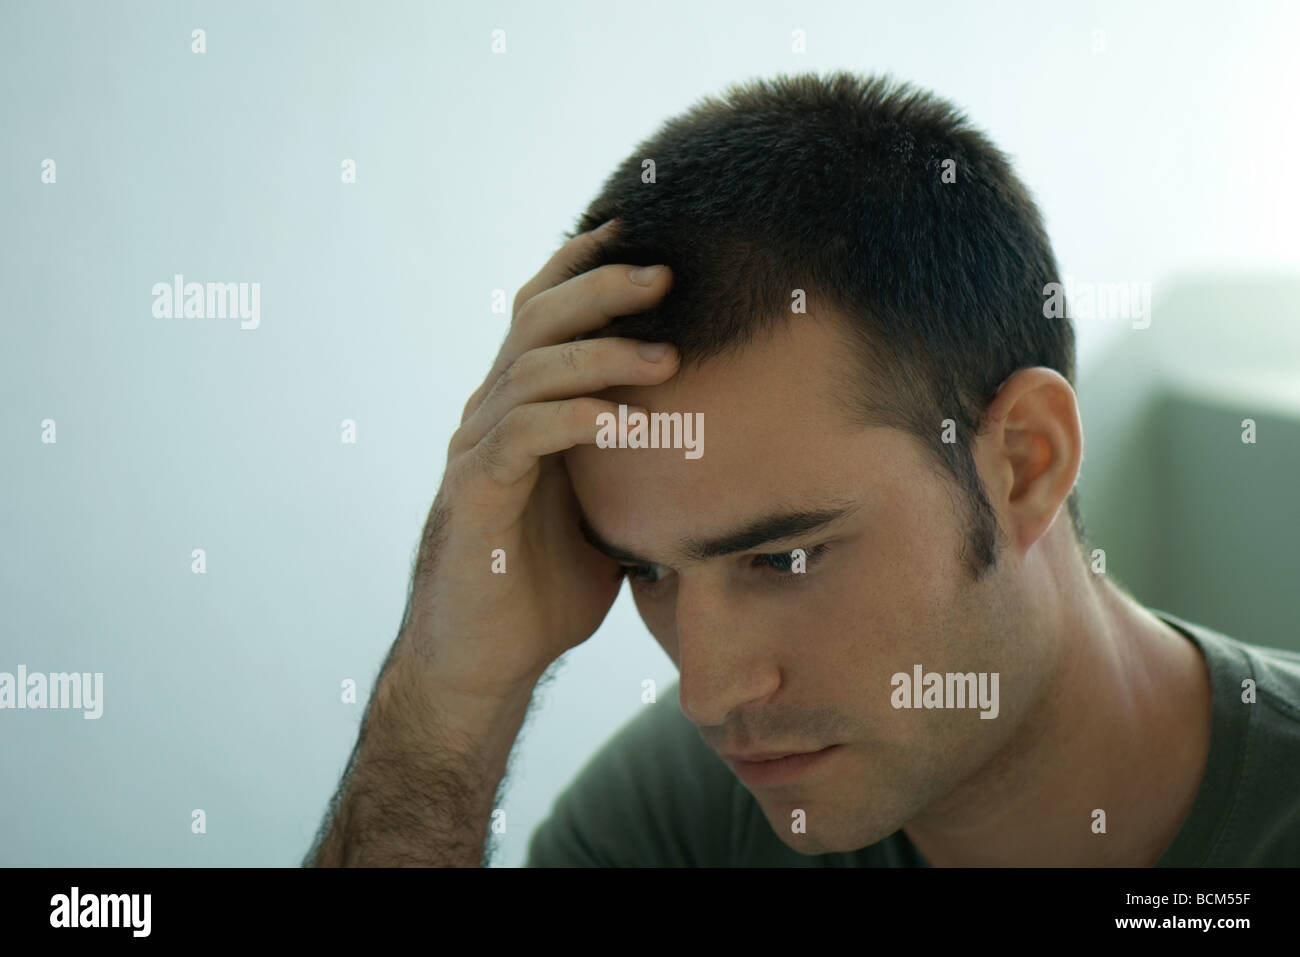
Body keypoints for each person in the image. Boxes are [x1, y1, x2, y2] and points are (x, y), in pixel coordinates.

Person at [303, 72, 1300, 867]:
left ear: (1025, 464)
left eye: (782, 559)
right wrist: (446, 699)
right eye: (647, 572)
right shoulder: (681, 820)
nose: (708, 691)